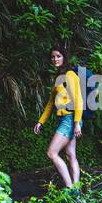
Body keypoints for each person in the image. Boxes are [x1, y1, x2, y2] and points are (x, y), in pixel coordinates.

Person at [33, 46, 83, 188]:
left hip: (70, 119)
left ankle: (70, 189)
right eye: (53, 57)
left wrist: (77, 122)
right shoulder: (59, 77)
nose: (55, 59)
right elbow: (50, 103)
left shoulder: (70, 75)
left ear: (64, 57)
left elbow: (78, 99)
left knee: (51, 153)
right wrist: (40, 122)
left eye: (58, 56)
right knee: (70, 155)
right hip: (65, 119)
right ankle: (76, 189)